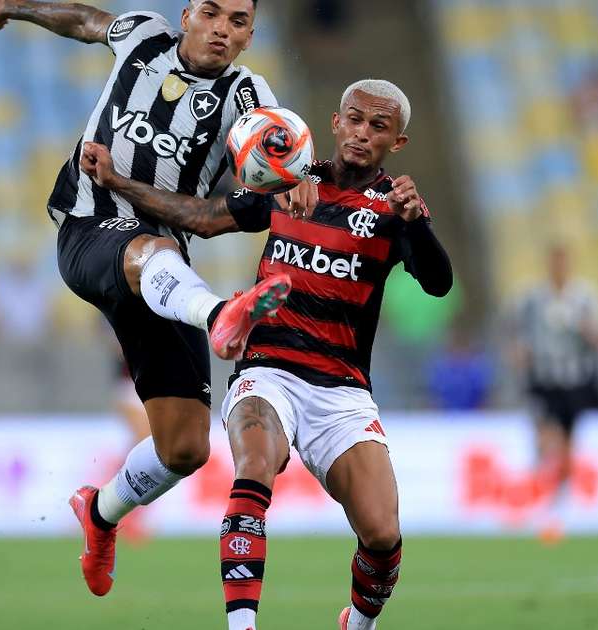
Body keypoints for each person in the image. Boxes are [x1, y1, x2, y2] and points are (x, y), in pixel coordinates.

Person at [0, 0, 318, 598]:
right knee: (145, 247)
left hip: (164, 269)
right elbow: (82, 21)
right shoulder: (142, 36)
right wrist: (16, 7)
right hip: (89, 230)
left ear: (250, 35)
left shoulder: (246, 94)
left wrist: (297, 178)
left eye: (237, 21)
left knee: (184, 447)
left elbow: (276, 144)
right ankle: (220, 315)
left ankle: (99, 513)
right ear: (186, 16)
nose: (221, 30)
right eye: (211, 13)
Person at [83, 79, 453, 630]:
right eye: (354, 119)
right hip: (267, 373)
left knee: (381, 534)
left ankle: (358, 622)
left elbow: (439, 282)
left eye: (378, 127)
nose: (361, 133)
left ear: (397, 143)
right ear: (334, 122)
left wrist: (417, 224)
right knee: (254, 469)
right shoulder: (285, 181)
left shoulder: (396, 211)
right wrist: (117, 180)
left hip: (342, 392)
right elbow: (201, 218)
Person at [510, 244, 598, 497]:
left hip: (575, 379)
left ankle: (561, 488)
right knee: (544, 429)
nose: (558, 267)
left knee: (568, 437)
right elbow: (516, 332)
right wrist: (519, 352)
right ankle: (547, 479)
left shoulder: (586, 296)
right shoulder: (532, 297)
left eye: (563, 262)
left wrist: (586, 330)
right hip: (543, 377)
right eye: (554, 261)